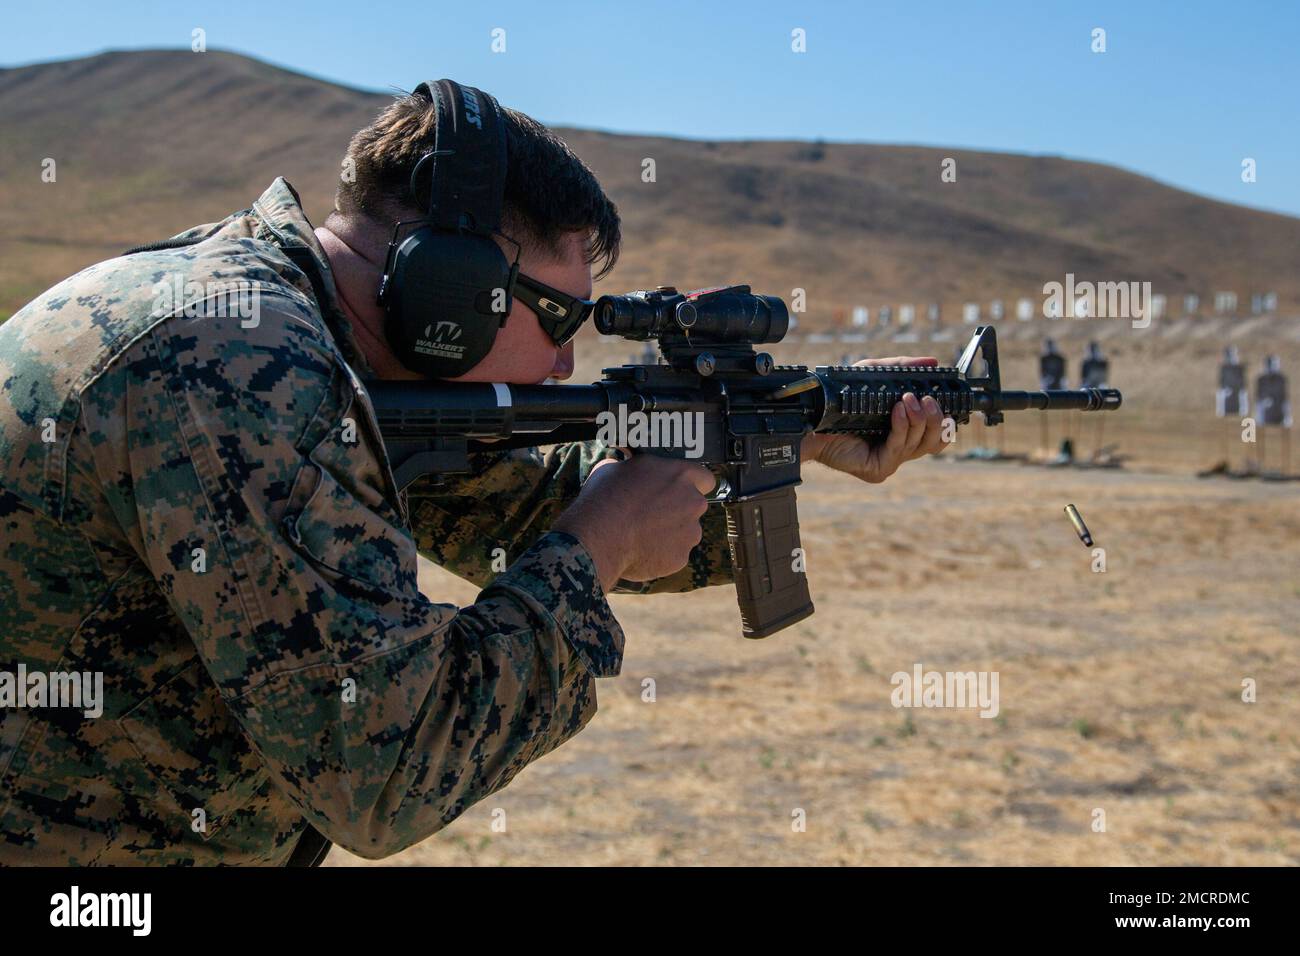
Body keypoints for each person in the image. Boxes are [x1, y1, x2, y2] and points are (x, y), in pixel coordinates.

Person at [0, 81, 947, 865]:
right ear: (454, 286)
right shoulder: (240, 364)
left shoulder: (302, 331)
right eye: (560, 319)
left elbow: (524, 508)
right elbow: (388, 768)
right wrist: (603, 542)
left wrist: (795, 437)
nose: (568, 363)